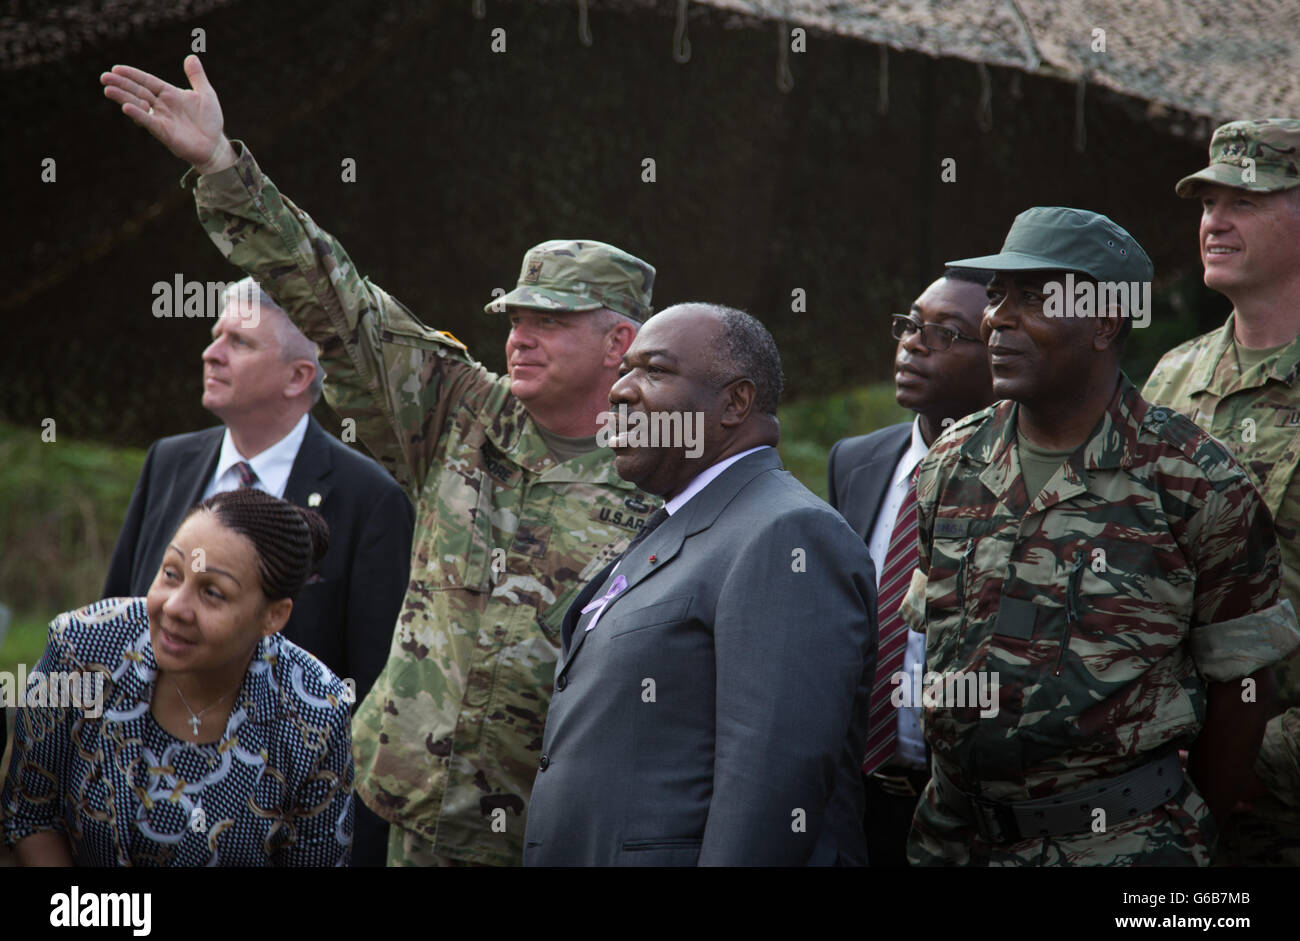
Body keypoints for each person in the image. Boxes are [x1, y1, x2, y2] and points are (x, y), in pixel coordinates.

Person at [102, 56, 658, 866]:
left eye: (551, 321)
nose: (519, 336)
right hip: (407, 814)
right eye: (516, 316)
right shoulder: (459, 412)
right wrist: (222, 167)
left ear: (621, 343)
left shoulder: (665, 472)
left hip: (553, 830)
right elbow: (337, 300)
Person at [900, 206, 1300, 865]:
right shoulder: (951, 463)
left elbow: (1246, 692)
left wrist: (1185, 829)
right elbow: (932, 639)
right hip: (953, 837)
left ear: (1105, 321)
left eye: (1032, 298)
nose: (998, 317)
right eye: (997, 295)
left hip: (1117, 844)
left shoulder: (1194, 483)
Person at [523, 304, 877, 865]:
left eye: (655, 371)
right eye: (623, 371)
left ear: (735, 402)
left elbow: (770, 785)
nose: (621, 391)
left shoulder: (787, 534)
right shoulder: (684, 519)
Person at [102, 278, 412, 866]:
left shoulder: (370, 500)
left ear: (298, 377)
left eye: (238, 342)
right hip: (133, 811)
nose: (210, 352)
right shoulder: (169, 461)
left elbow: (376, 702)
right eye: (214, 334)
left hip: (275, 829)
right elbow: (117, 623)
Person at [3, 489, 354, 866]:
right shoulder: (82, 646)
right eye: (171, 573)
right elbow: (29, 813)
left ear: (274, 616)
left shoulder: (316, 709)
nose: (175, 607)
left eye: (213, 593)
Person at [1143, 119, 1300, 865]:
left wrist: (1258, 755)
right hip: (1167, 789)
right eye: (1208, 202)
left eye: (1246, 199)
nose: (1216, 221)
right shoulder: (1173, 376)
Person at [827, 266, 994, 865]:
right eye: (910, 325)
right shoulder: (856, 462)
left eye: (947, 333)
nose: (914, 343)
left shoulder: (1024, 484)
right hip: (856, 792)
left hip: (967, 807)